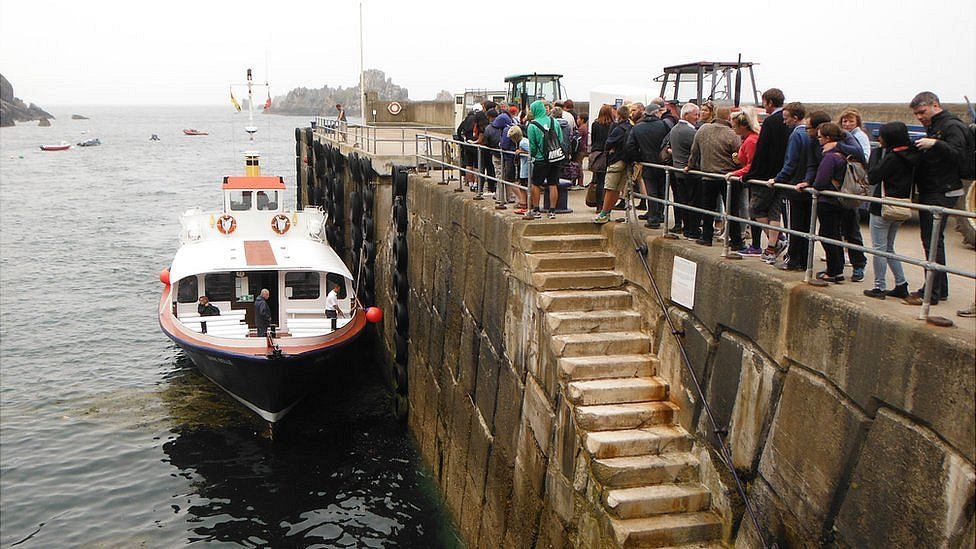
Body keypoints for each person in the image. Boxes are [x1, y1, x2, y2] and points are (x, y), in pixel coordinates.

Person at [905, 91, 970, 305]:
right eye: (916, 114)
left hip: (942, 191)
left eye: (922, 112)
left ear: (935, 105)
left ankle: (931, 293)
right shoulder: (936, 125)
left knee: (932, 242)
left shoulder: (952, 126)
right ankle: (939, 289)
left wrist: (935, 144)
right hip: (934, 189)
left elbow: (958, 154)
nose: (920, 117)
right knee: (933, 241)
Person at [863, 122, 919, 299]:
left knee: (879, 249)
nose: (879, 139)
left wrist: (876, 155)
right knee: (889, 247)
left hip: (883, 207)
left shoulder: (892, 157)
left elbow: (872, 177)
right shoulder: (912, 155)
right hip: (901, 206)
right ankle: (901, 284)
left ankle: (879, 287)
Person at [742, 89, 791, 261]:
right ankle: (772, 246)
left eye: (764, 102)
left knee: (755, 208)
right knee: (774, 212)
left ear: (770, 102)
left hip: (766, 175)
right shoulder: (788, 121)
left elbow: (762, 151)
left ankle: (776, 241)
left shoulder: (771, 122)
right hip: (783, 175)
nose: (764, 106)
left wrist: (751, 174)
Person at [799, 123, 848, 282]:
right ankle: (837, 270)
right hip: (838, 200)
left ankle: (833, 271)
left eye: (820, 137)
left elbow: (820, 182)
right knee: (835, 235)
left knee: (827, 235)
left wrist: (811, 184)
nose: (818, 139)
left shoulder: (829, 157)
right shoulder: (842, 154)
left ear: (828, 138)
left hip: (828, 202)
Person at [772, 102, 816, 271]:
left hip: (793, 188)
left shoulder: (796, 135)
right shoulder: (810, 134)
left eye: (786, 118)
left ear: (795, 118)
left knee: (793, 227)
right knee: (805, 228)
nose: (785, 122)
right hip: (807, 186)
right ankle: (804, 260)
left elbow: (790, 163)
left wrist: (777, 179)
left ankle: (792, 260)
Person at [687, 106, 741, 246]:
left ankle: (706, 237)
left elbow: (694, 151)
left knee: (708, 209)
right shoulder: (732, 134)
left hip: (707, 175)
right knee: (732, 210)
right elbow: (739, 156)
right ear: (729, 117)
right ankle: (736, 240)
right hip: (727, 177)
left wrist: (690, 166)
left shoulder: (703, 129)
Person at [628, 99, 671, 228]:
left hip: (647, 162)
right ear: (656, 113)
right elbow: (670, 140)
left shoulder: (637, 127)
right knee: (662, 189)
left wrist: (639, 157)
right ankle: (661, 214)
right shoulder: (663, 125)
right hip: (663, 162)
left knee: (651, 190)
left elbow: (630, 146)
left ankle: (653, 218)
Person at [593, 103, 634, 224]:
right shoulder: (631, 127)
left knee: (610, 188)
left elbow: (608, 143)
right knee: (617, 189)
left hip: (615, 161)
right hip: (626, 161)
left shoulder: (617, 128)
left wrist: (610, 149)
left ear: (618, 114)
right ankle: (608, 211)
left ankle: (604, 213)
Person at [525, 99, 563, 220]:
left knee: (536, 184)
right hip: (555, 157)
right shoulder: (554, 122)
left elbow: (532, 146)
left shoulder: (532, 125)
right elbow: (560, 139)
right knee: (553, 184)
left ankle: (536, 209)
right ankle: (552, 211)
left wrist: (535, 155)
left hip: (541, 160)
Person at [668, 103, 701, 239]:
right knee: (693, 202)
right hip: (689, 172)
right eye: (695, 114)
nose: (697, 118)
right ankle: (692, 230)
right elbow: (697, 151)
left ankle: (688, 228)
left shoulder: (674, 129)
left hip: (678, 170)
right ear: (686, 115)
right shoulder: (690, 132)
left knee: (683, 200)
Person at [589, 105, 614, 210]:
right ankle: (605, 204)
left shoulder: (595, 124)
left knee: (598, 180)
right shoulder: (613, 125)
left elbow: (594, 139)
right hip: (608, 153)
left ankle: (598, 205)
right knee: (606, 181)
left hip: (596, 153)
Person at [512, 126, 531, 214]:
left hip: (526, 167)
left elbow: (532, 151)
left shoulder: (522, 143)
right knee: (523, 186)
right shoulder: (524, 141)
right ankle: (526, 204)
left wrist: (521, 152)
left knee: (523, 187)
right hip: (525, 167)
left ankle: (524, 205)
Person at [575, 113, 590, 187]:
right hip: (584, 149)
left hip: (581, 149)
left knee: (579, 165)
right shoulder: (585, 127)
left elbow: (577, 139)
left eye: (578, 118)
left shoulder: (581, 128)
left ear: (582, 120)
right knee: (579, 164)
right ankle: (579, 182)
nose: (577, 120)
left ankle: (580, 182)